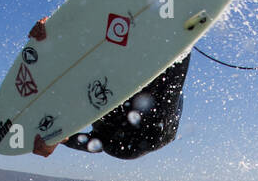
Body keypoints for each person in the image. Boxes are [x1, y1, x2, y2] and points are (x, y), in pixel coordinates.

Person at [62, 55, 190, 160]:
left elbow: (95, 143)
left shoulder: (112, 132)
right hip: (151, 130)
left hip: (146, 132)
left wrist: (63, 140)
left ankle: (183, 51)